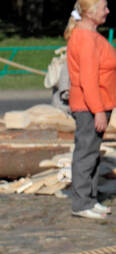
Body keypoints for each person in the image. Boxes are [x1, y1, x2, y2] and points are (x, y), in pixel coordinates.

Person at [66, 0, 116, 219]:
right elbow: (88, 79)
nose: (107, 11)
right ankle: (81, 203)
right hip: (90, 106)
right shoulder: (85, 39)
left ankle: (90, 198)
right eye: (103, 7)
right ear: (90, 12)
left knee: (92, 153)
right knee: (85, 153)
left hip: (99, 103)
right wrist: (97, 110)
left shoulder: (92, 36)